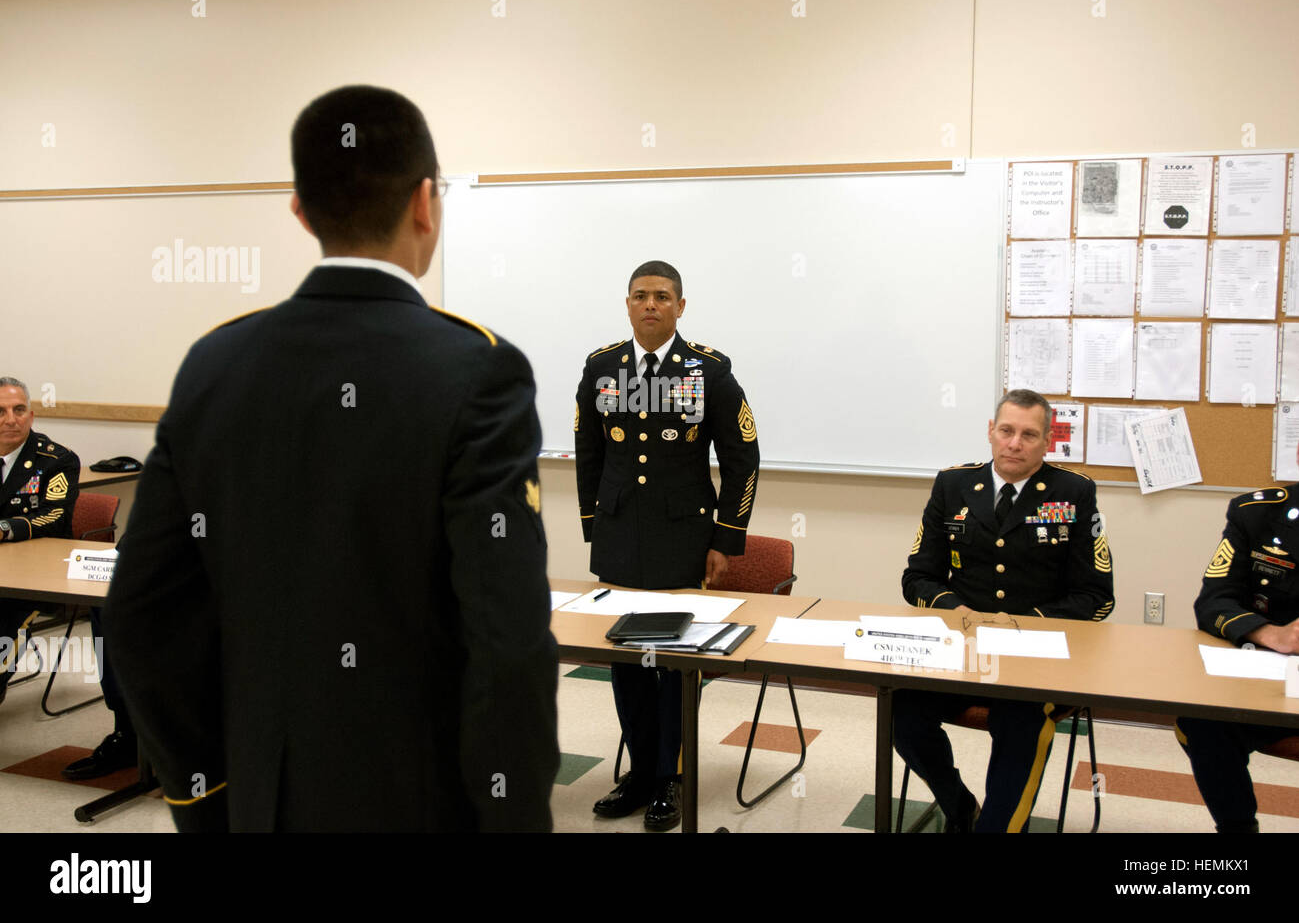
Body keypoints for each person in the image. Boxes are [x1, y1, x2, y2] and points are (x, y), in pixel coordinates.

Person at [104, 85, 559, 832]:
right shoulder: (476, 370)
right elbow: (505, 643)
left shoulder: (216, 362)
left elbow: (143, 615)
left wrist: (203, 791)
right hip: (419, 802)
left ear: (299, 210)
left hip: (260, 797)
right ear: (425, 202)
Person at [575, 260, 760, 831]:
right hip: (619, 538)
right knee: (626, 663)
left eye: (661, 296)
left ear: (681, 306)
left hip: (682, 539)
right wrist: (593, 522)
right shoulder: (602, 367)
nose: (650, 304)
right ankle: (637, 773)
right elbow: (589, 451)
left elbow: (742, 457)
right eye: (640, 296)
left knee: (674, 663)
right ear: (627, 305)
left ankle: (669, 776)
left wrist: (726, 538)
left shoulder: (709, 370)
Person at [898, 388, 1114, 832]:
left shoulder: (1075, 493)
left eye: (1029, 435)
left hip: (1037, 657)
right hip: (962, 648)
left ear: (1048, 440)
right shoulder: (953, 484)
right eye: (1007, 431)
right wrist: (959, 612)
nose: (1015, 443)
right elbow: (917, 578)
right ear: (991, 433)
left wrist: (1020, 624)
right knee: (902, 710)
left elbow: (1096, 596)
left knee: (1020, 726)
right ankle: (958, 805)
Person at [1176, 439, 1299, 832]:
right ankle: (1237, 828)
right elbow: (1213, 601)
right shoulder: (1258, 513)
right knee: (1201, 722)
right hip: (1276, 679)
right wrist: (1270, 634)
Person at [0, 378, 81, 707]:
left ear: (31, 416)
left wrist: (4, 528)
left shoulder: (55, 460)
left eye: (19, 410)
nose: (11, 419)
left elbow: (55, 517)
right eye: (1, 411)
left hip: (29, 579)